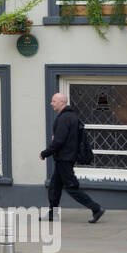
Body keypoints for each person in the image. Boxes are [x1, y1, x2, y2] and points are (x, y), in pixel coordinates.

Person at [41, 92, 105, 224]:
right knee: (55, 186)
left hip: (65, 158)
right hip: (64, 158)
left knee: (72, 188)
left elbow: (59, 141)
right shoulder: (72, 116)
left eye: (54, 101)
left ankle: (96, 208)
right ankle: (53, 213)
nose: (51, 104)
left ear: (61, 102)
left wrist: (45, 153)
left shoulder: (64, 118)